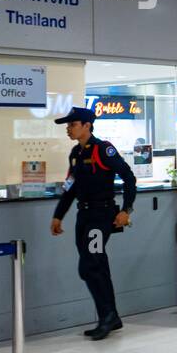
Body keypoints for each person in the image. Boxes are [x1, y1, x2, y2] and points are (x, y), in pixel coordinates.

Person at [49, 106, 136, 341]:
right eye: (68, 126)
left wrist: (127, 210)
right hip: (83, 217)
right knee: (96, 265)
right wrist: (59, 215)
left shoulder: (103, 150)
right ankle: (111, 317)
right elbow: (71, 189)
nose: (68, 129)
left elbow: (128, 177)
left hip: (101, 217)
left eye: (72, 124)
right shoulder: (75, 154)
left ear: (87, 125)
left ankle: (107, 317)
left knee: (90, 265)